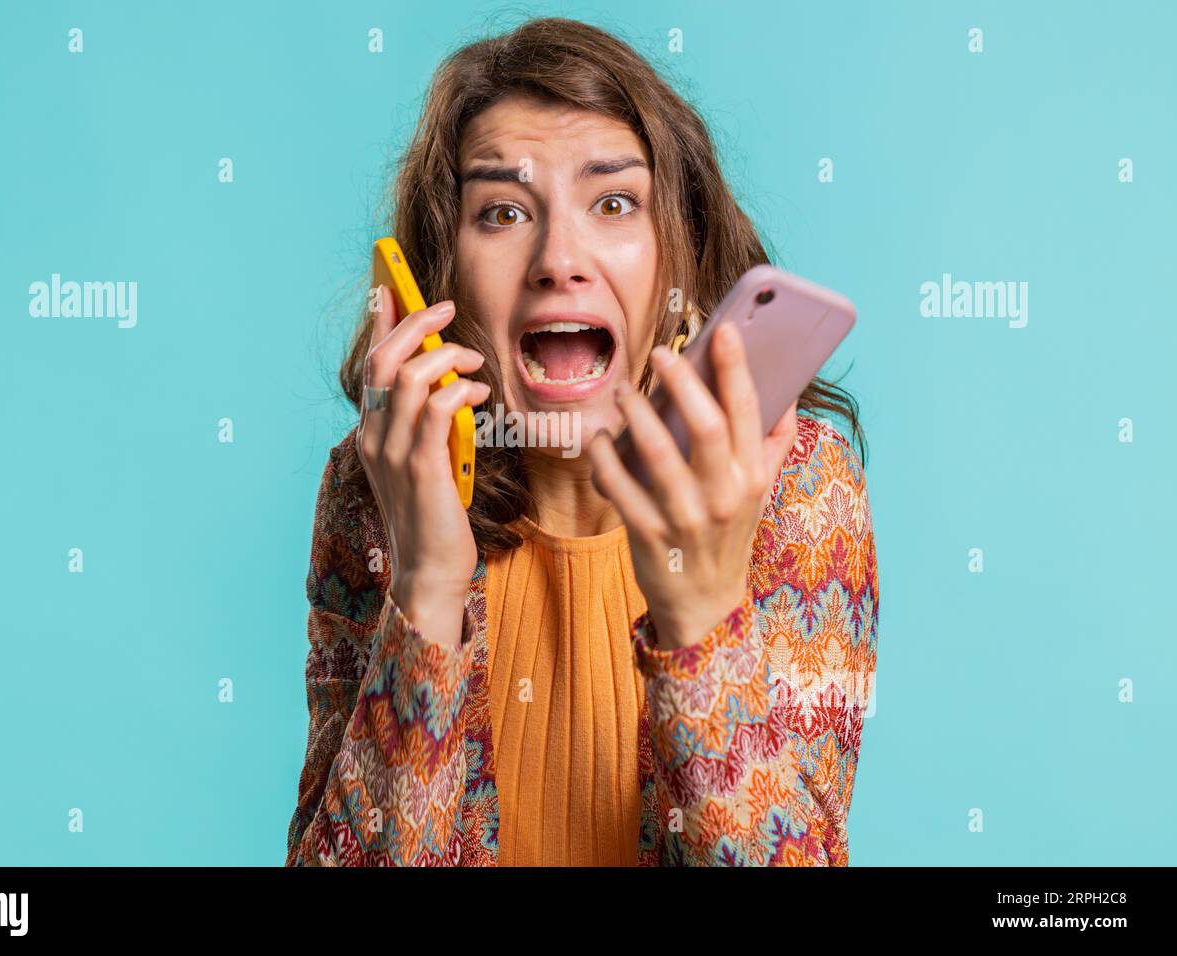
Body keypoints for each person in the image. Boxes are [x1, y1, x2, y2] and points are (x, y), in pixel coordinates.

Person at [285, 16, 878, 867]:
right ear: (442, 278)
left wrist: (699, 615)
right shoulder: (378, 486)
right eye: (501, 211)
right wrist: (425, 587)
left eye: (612, 203)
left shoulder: (795, 485)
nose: (558, 257)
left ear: (680, 253)